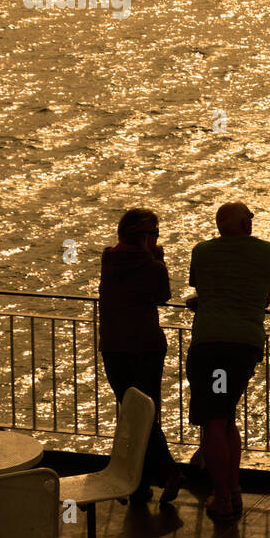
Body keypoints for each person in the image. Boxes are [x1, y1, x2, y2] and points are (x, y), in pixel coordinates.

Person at [185, 201, 270, 521]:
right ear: (244, 223)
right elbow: (263, 297)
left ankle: (222, 498)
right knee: (225, 417)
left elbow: (205, 292)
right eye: (250, 217)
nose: (252, 221)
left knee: (213, 419)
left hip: (211, 345)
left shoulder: (202, 252)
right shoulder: (266, 252)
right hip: (245, 346)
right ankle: (233, 491)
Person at [98, 208, 185, 504]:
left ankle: (139, 482)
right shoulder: (151, 266)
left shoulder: (108, 258)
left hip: (113, 345)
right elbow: (162, 295)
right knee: (147, 413)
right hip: (145, 346)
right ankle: (169, 472)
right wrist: (158, 258)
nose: (158, 238)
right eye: (155, 233)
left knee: (132, 413)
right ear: (144, 236)